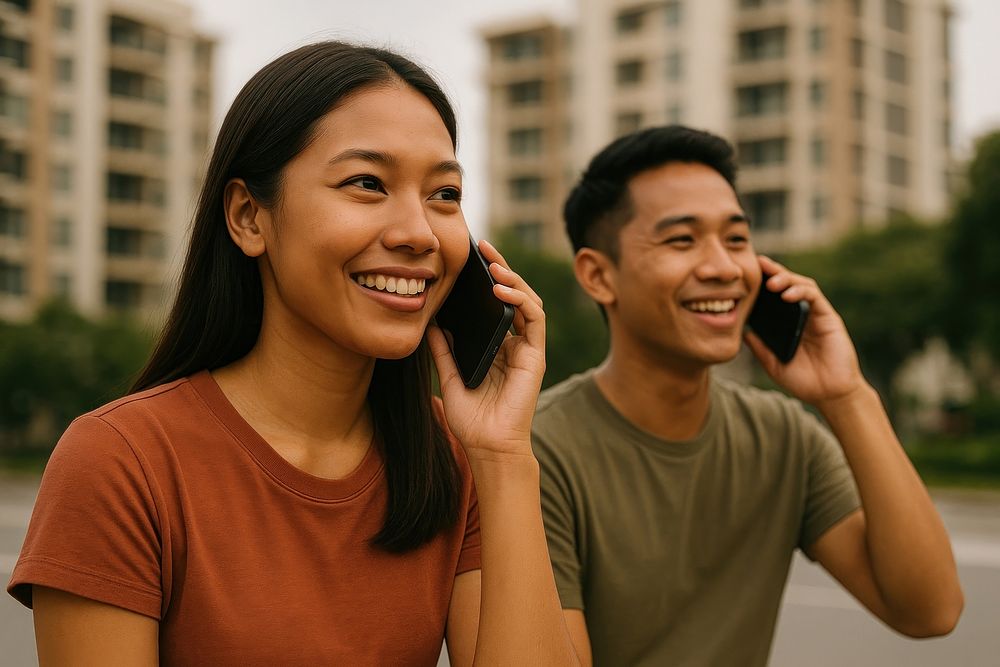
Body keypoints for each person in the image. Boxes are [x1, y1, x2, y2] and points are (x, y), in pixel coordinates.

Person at [7, 42, 579, 666]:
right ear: (250, 216)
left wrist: (503, 457)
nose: (419, 232)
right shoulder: (123, 461)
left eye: (444, 193)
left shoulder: (451, 459)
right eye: (367, 183)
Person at [533, 125, 964, 666]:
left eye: (737, 239)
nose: (724, 267)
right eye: (682, 240)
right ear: (599, 275)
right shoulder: (540, 453)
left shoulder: (785, 437)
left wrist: (847, 395)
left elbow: (929, 610)